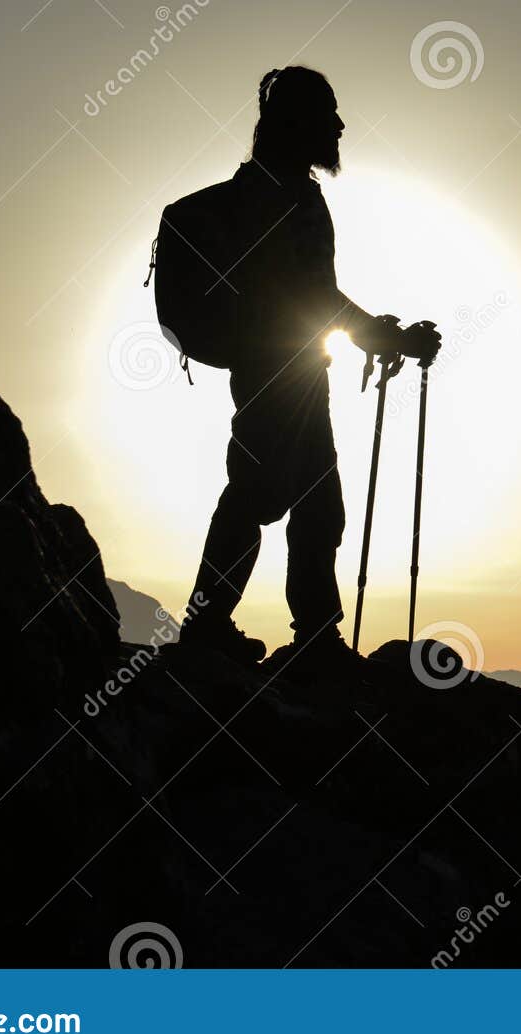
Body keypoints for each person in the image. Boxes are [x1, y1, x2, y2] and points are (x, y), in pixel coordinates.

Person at [177, 66, 440, 674]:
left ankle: (300, 634)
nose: (340, 126)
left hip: (286, 367)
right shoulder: (286, 199)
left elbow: (313, 298)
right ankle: (234, 630)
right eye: (329, 115)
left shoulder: (277, 191)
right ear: (299, 124)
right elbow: (312, 299)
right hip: (280, 369)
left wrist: (379, 333)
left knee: (308, 498)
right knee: (266, 494)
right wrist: (387, 335)